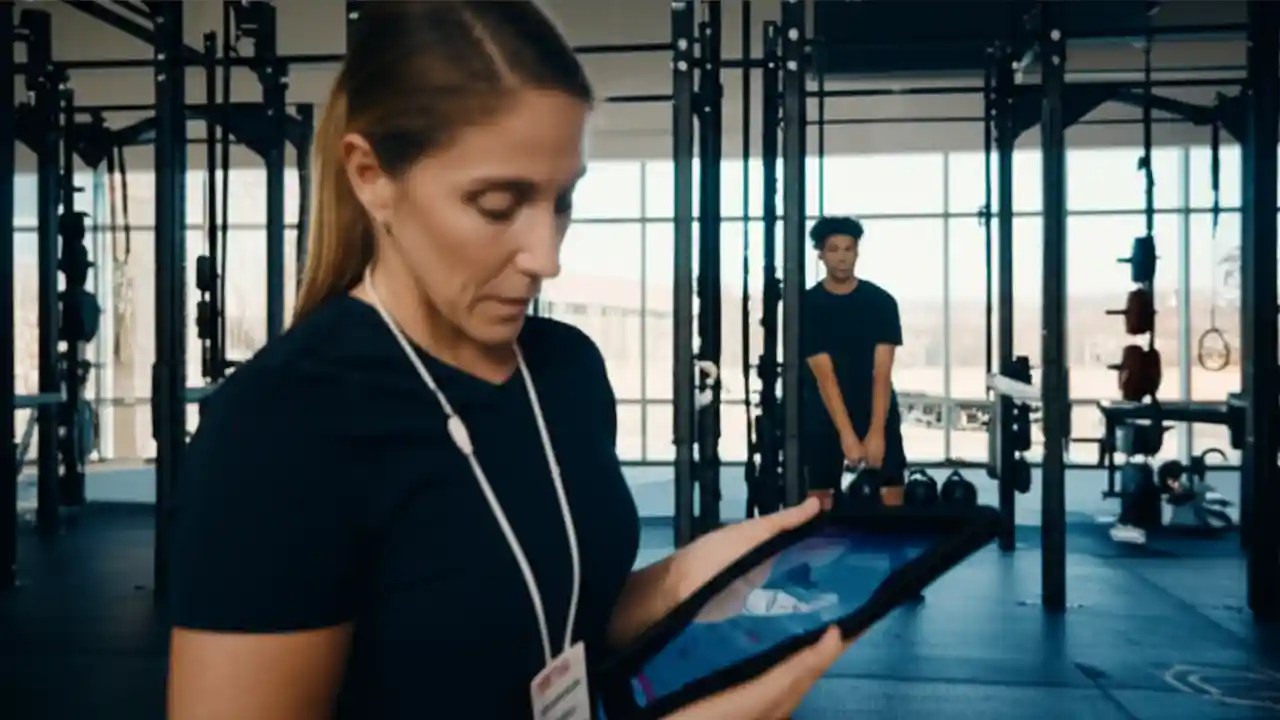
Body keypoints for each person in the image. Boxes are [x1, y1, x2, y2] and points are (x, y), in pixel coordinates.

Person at [165, 4, 851, 719]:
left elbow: (555, 616)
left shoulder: (567, 370)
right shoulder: (282, 427)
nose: (546, 257)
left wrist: (690, 579)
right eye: (497, 205)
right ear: (372, 177)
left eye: (563, 201)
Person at [800, 217, 908, 510]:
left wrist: (876, 432)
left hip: (875, 405)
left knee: (891, 493)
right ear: (820, 254)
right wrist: (847, 436)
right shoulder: (808, 305)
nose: (842, 257)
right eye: (833, 249)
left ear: (857, 251)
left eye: (848, 248)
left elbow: (882, 373)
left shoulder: (881, 302)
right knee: (820, 502)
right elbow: (825, 377)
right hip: (825, 410)